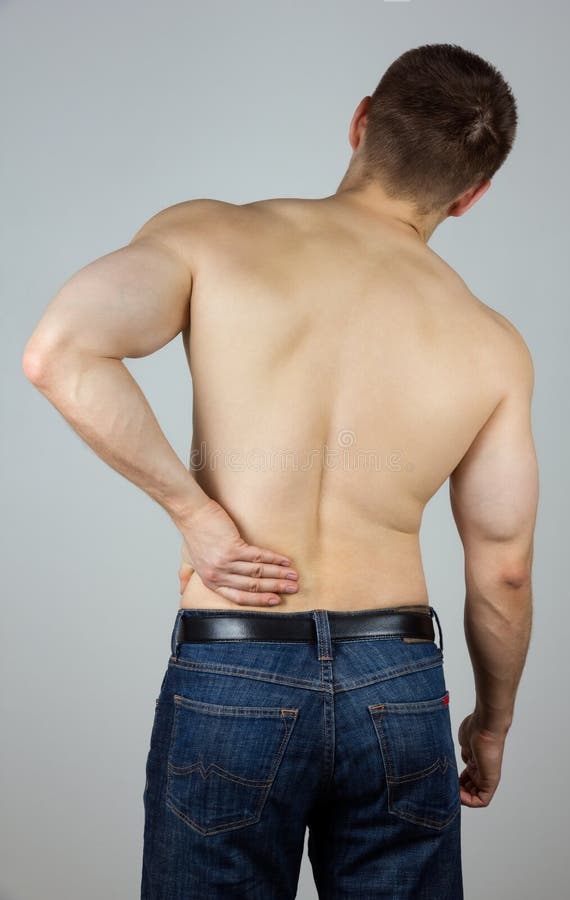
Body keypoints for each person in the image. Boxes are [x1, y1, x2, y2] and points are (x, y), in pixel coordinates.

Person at [22, 42, 538, 900]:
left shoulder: (211, 235)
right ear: (472, 194)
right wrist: (493, 723)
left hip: (238, 666)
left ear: (362, 121)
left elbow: (58, 352)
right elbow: (506, 569)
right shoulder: (491, 344)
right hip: (399, 687)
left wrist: (196, 515)